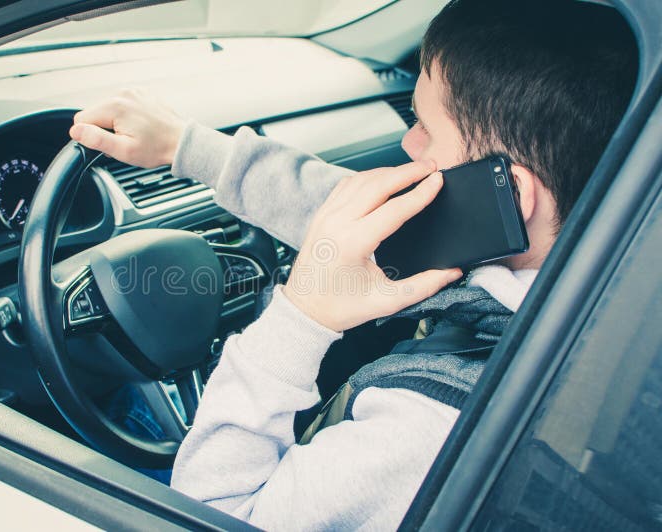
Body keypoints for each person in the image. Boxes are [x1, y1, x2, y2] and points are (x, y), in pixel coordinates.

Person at [69, 0, 637, 528]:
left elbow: (211, 511)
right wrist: (185, 147)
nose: (409, 146)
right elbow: (361, 212)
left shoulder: (421, 430)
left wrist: (300, 315)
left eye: (424, 127)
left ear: (509, 197)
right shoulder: (617, 262)